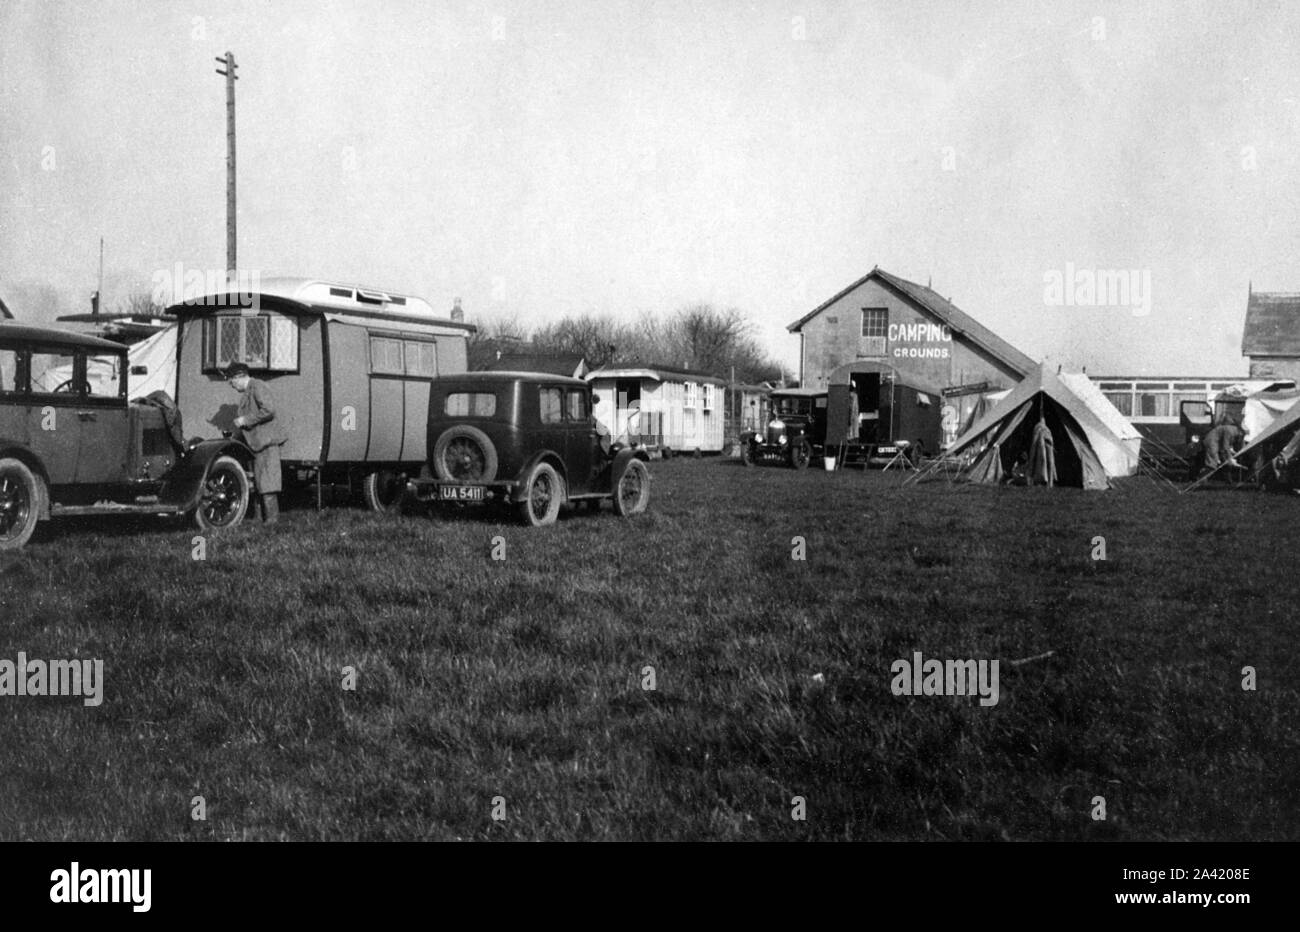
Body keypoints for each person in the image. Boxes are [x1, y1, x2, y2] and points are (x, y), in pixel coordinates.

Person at [226, 363, 288, 524]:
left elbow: (268, 410)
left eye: (231, 381)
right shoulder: (250, 390)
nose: (231, 386)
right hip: (258, 443)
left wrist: (245, 420)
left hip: (266, 442)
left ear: (239, 377)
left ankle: (272, 520)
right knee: (260, 481)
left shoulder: (258, 386)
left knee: (267, 482)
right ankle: (260, 518)